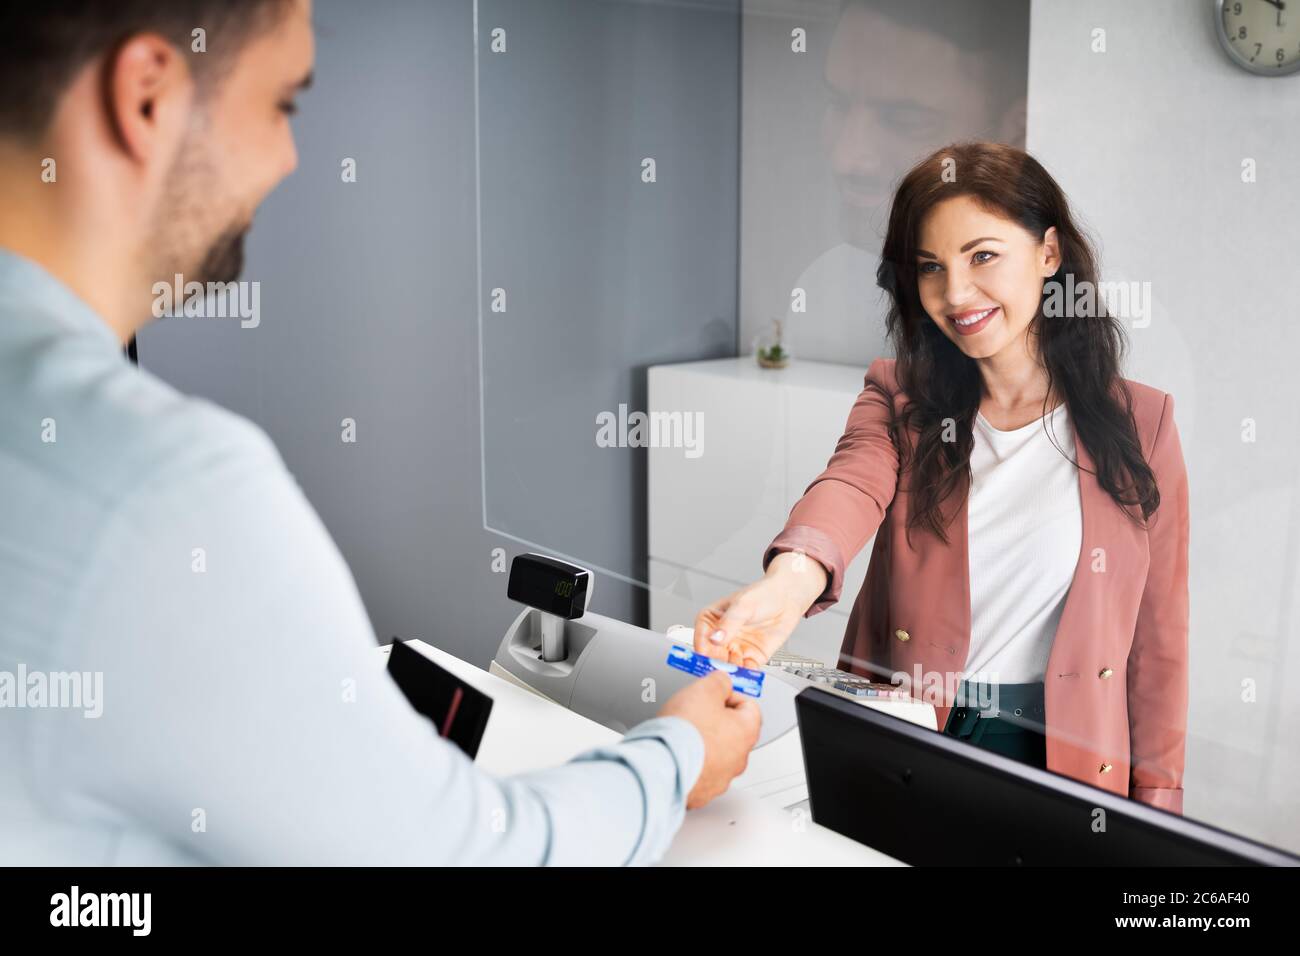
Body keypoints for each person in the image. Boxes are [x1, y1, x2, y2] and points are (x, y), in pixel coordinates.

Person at [0, 0, 759, 866]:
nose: (290, 158)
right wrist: (678, 752)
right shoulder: (164, 485)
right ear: (146, 99)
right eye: (283, 104)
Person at [696, 141, 1189, 815]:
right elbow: (851, 483)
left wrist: (1159, 810)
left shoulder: (1143, 423)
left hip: (1058, 751)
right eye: (931, 267)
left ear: (1049, 254)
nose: (955, 294)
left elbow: (1160, 647)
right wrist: (790, 581)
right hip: (907, 724)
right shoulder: (902, 398)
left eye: (983, 255)